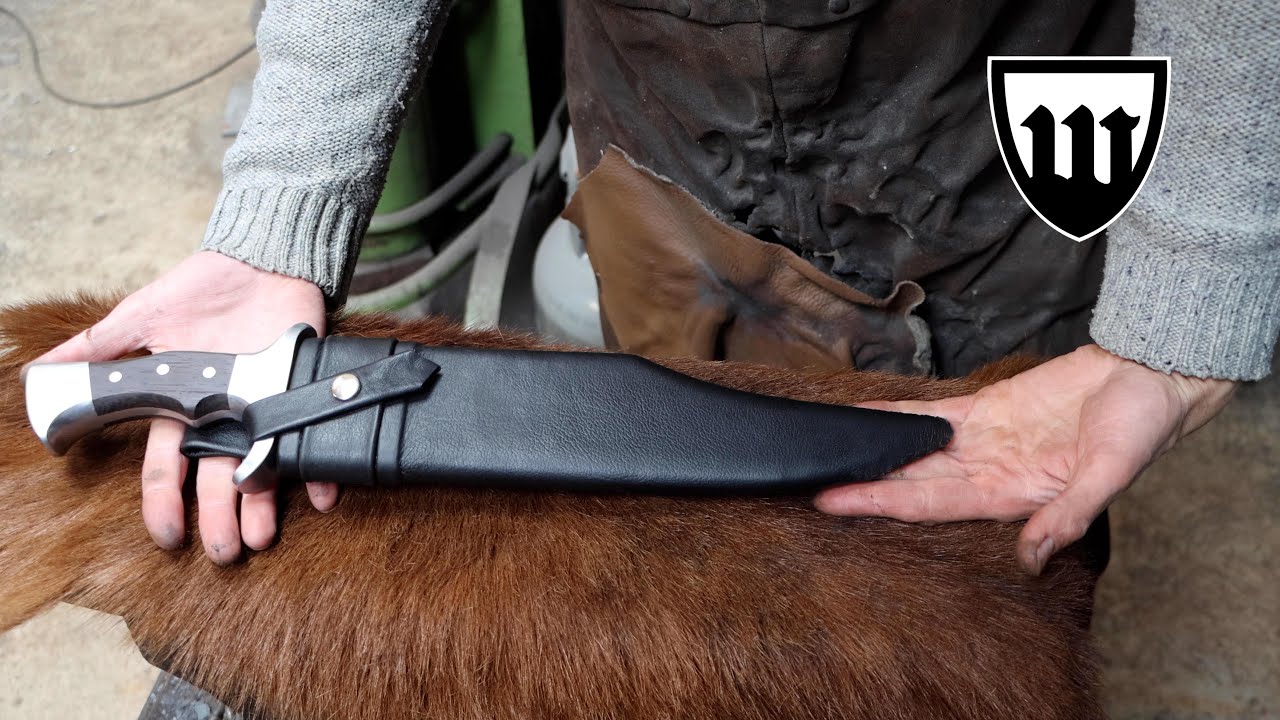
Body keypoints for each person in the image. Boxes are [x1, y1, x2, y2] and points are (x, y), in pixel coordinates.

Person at [34, 0, 1275, 575]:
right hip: (660, 121)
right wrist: (284, 208)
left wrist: (1183, 310)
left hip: (987, 124)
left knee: (995, 532)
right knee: (675, 524)